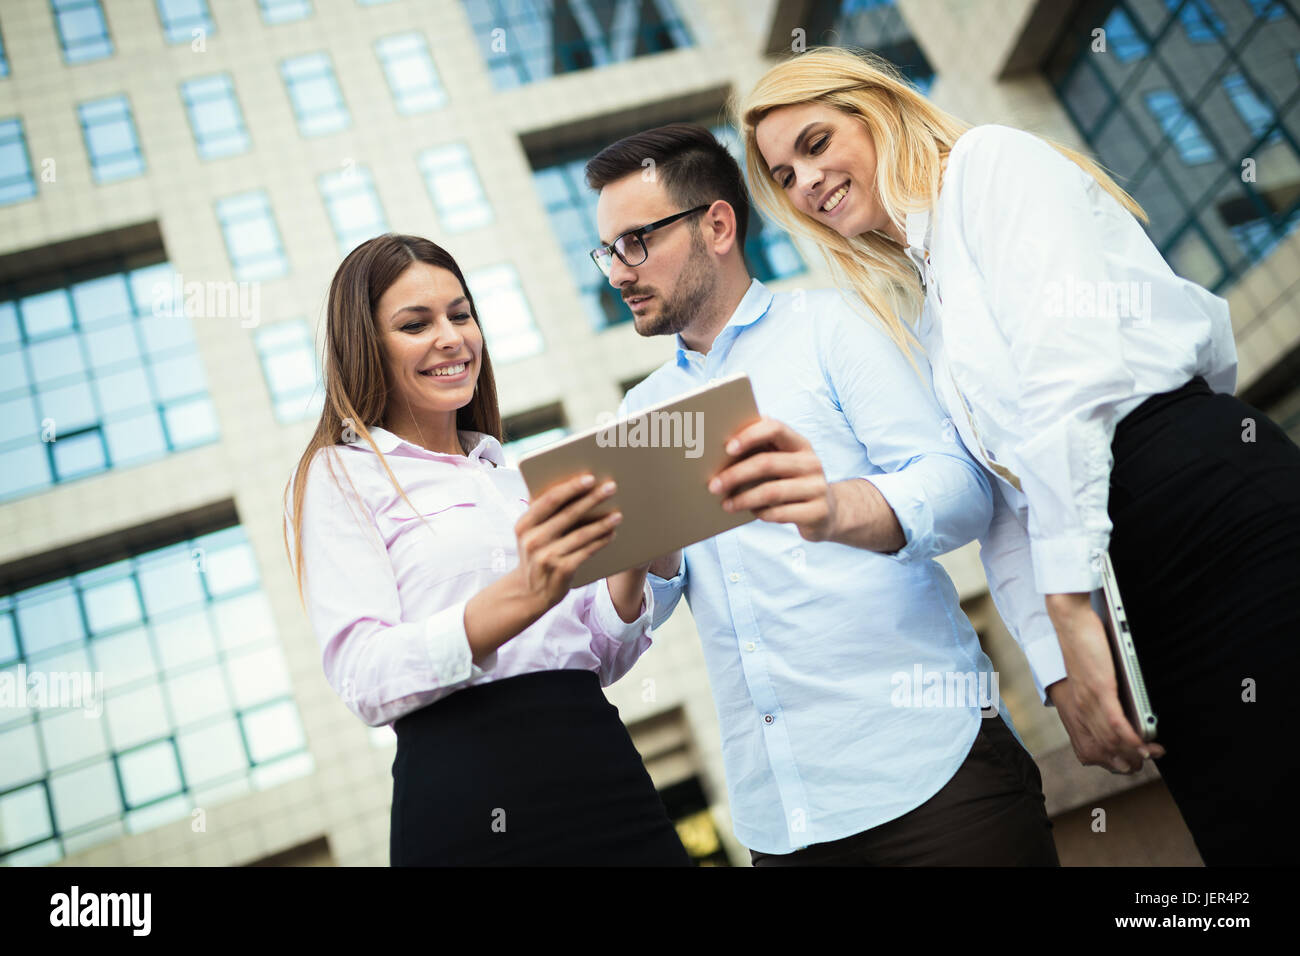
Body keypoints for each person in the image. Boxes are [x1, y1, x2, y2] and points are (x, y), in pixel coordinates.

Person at [739, 46, 1300, 865]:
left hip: (1203, 504)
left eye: (816, 144)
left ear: (878, 110)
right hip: (1119, 561)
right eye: (784, 176)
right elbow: (1006, 505)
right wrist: (1056, 668)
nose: (806, 183)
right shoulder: (927, 312)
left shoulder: (990, 165)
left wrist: (1070, 609)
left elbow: (1074, 383)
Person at [587, 124, 1060, 865]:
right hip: (785, 821)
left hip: (933, 777)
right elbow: (639, 616)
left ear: (717, 226)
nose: (618, 273)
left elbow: (961, 487)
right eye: (607, 251)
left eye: (635, 243)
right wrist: (644, 556)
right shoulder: (641, 412)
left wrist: (836, 507)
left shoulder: (833, 326)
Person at [283, 234, 691, 866]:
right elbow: (364, 674)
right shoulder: (342, 473)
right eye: (415, 324)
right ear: (367, 346)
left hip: (601, 765)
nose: (451, 338)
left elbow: (598, 654)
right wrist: (521, 594)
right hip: (470, 788)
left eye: (461, 315)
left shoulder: (512, 477)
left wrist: (640, 546)